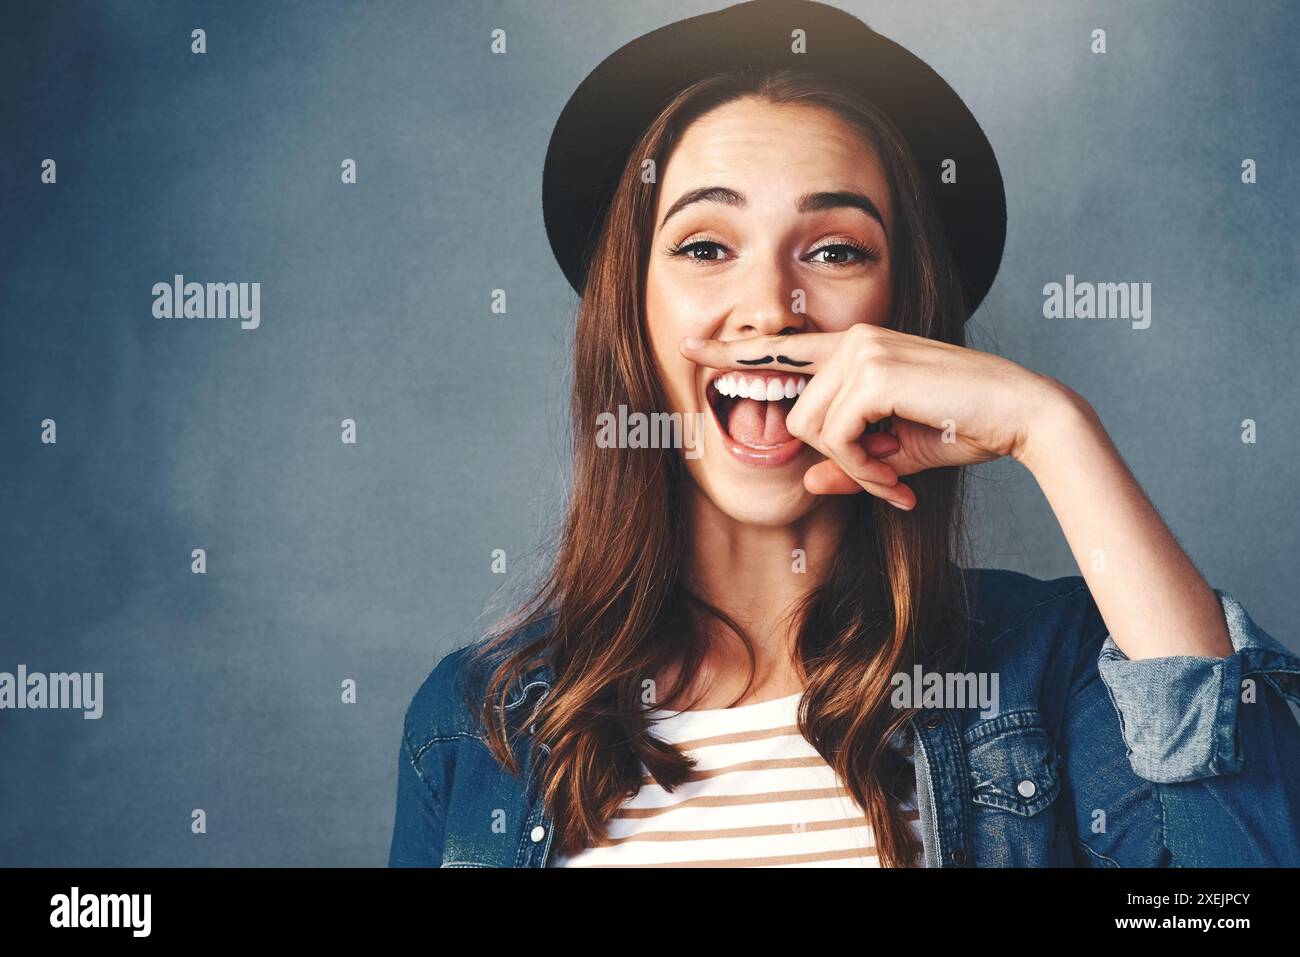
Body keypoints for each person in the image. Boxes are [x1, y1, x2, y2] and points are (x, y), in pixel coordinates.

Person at [389, 0, 1300, 868]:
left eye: (836, 250)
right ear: (631, 313)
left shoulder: (1051, 667)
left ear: (903, 319)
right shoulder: (475, 721)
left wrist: (1054, 428)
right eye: (706, 245)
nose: (770, 308)